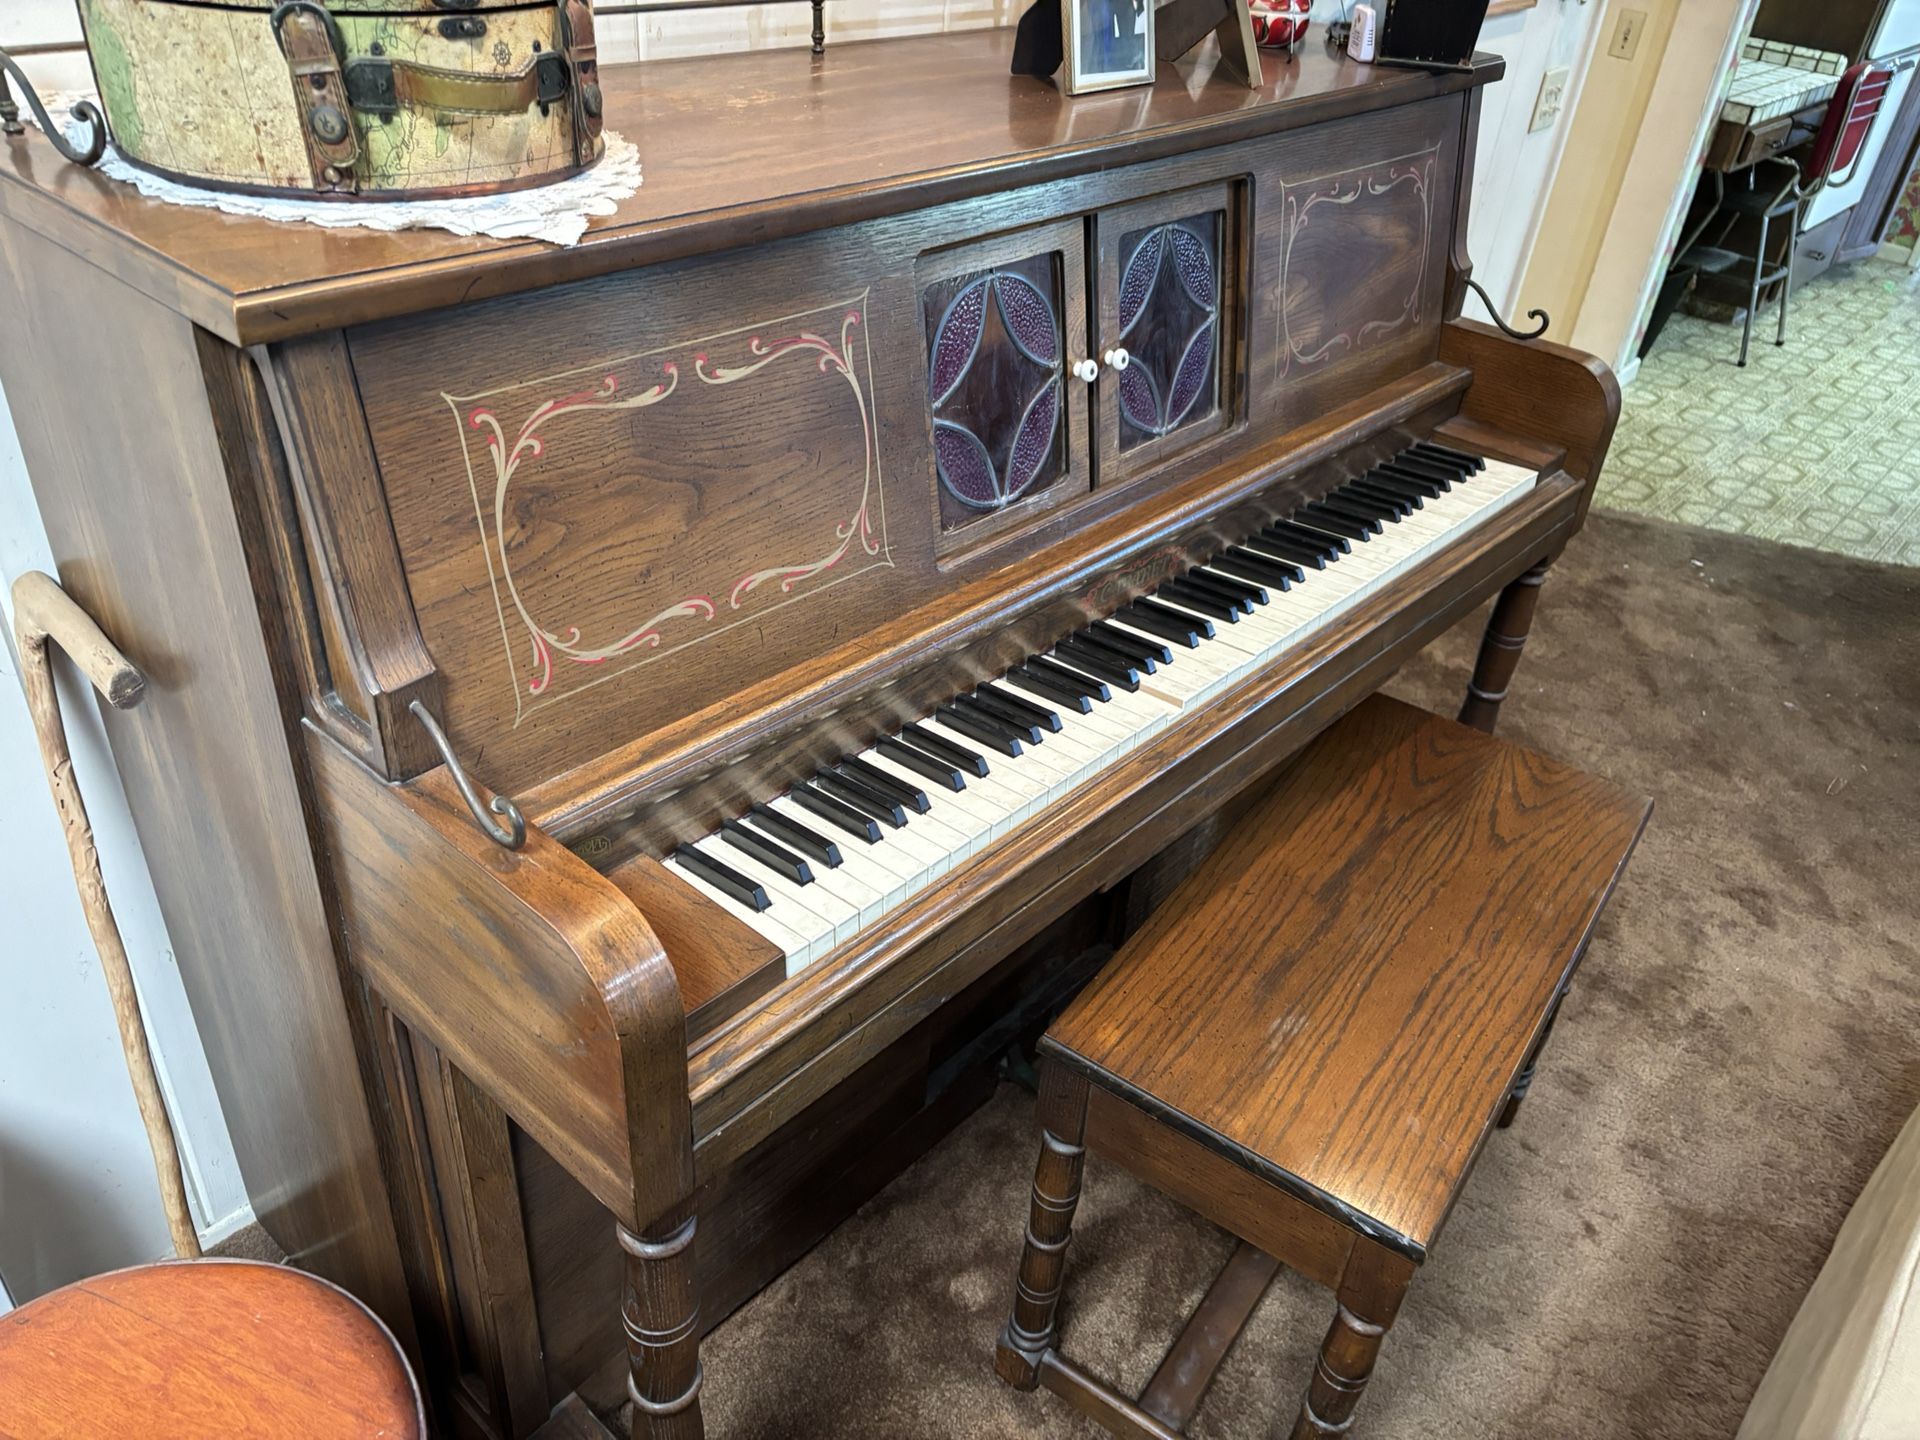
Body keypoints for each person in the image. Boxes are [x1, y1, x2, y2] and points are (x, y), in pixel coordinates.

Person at [1082, 0, 1148, 76]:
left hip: (1122, 6)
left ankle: (1130, 60)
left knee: (1126, 35)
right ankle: (1127, 60)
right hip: (1113, 7)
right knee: (1108, 37)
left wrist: (1140, 5)